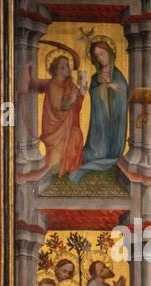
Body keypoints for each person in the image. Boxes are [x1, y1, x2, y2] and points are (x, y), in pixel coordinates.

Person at [70, 37, 128, 182]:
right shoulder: (96, 77)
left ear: (109, 53)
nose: (100, 58)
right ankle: (95, 156)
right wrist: (100, 86)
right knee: (94, 153)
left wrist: (111, 85)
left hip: (115, 118)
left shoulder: (118, 75)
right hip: (100, 121)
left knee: (113, 155)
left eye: (102, 53)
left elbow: (123, 91)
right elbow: (94, 93)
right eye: (97, 56)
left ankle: (105, 158)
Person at [24, 55, 84, 178]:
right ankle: (59, 164)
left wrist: (81, 95)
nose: (67, 68)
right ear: (56, 71)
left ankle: (68, 166)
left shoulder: (70, 84)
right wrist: (72, 98)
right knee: (54, 165)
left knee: (76, 135)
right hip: (55, 128)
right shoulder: (53, 85)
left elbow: (77, 106)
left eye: (68, 65)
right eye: (63, 67)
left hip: (68, 126)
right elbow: (60, 107)